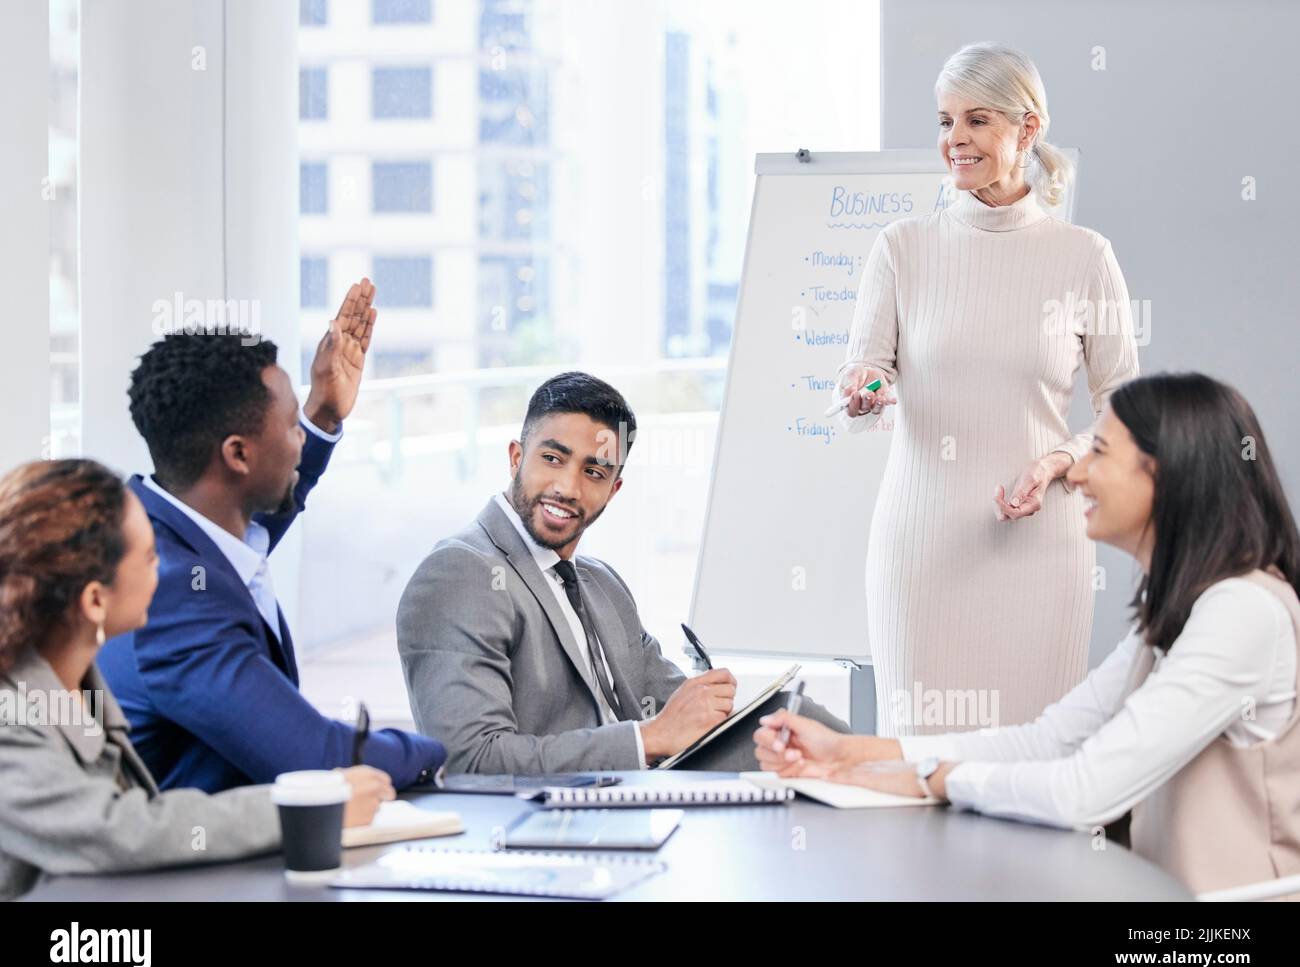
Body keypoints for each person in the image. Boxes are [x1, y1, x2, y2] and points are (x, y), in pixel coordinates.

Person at [756, 373, 1300, 896]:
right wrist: (850, 756)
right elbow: (1045, 742)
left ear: (1168, 473)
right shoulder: (1185, 608)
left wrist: (935, 779)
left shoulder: (1242, 613)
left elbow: (1082, 792)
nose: (1079, 473)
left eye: (1101, 453)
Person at [835, 42, 1140, 734]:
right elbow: (866, 366)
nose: (954, 141)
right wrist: (867, 388)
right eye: (945, 122)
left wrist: (1058, 461)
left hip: (1043, 555)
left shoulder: (1084, 257)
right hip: (922, 550)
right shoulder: (902, 248)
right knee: (919, 772)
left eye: (976, 120)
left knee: (1035, 769)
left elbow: (1128, 414)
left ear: (1027, 130)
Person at [398, 372, 849, 774]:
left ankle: (900, 775)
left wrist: (707, 705)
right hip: (556, 826)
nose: (567, 487)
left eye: (593, 471)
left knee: (796, 721)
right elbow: (468, 760)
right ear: (516, 457)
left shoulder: (601, 583)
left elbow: (669, 703)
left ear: (613, 490)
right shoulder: (461, 572)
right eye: (552, 459)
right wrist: (648, 739)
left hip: (644, 798)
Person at [98, 280, 446, 793]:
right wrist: (444, 749)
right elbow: (316, 757)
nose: (299, 436)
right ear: (238, 454)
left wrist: (322, 415)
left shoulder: (161, 535)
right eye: (291, 427)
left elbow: (248, 531)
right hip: (195, 868)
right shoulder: (173, 597)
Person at [0, 459, 394, 900]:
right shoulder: (10, 714)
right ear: (95, 600)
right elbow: (112, 829)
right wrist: (306, 810)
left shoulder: (72, 683)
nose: (166, 567)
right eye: (151, 556)